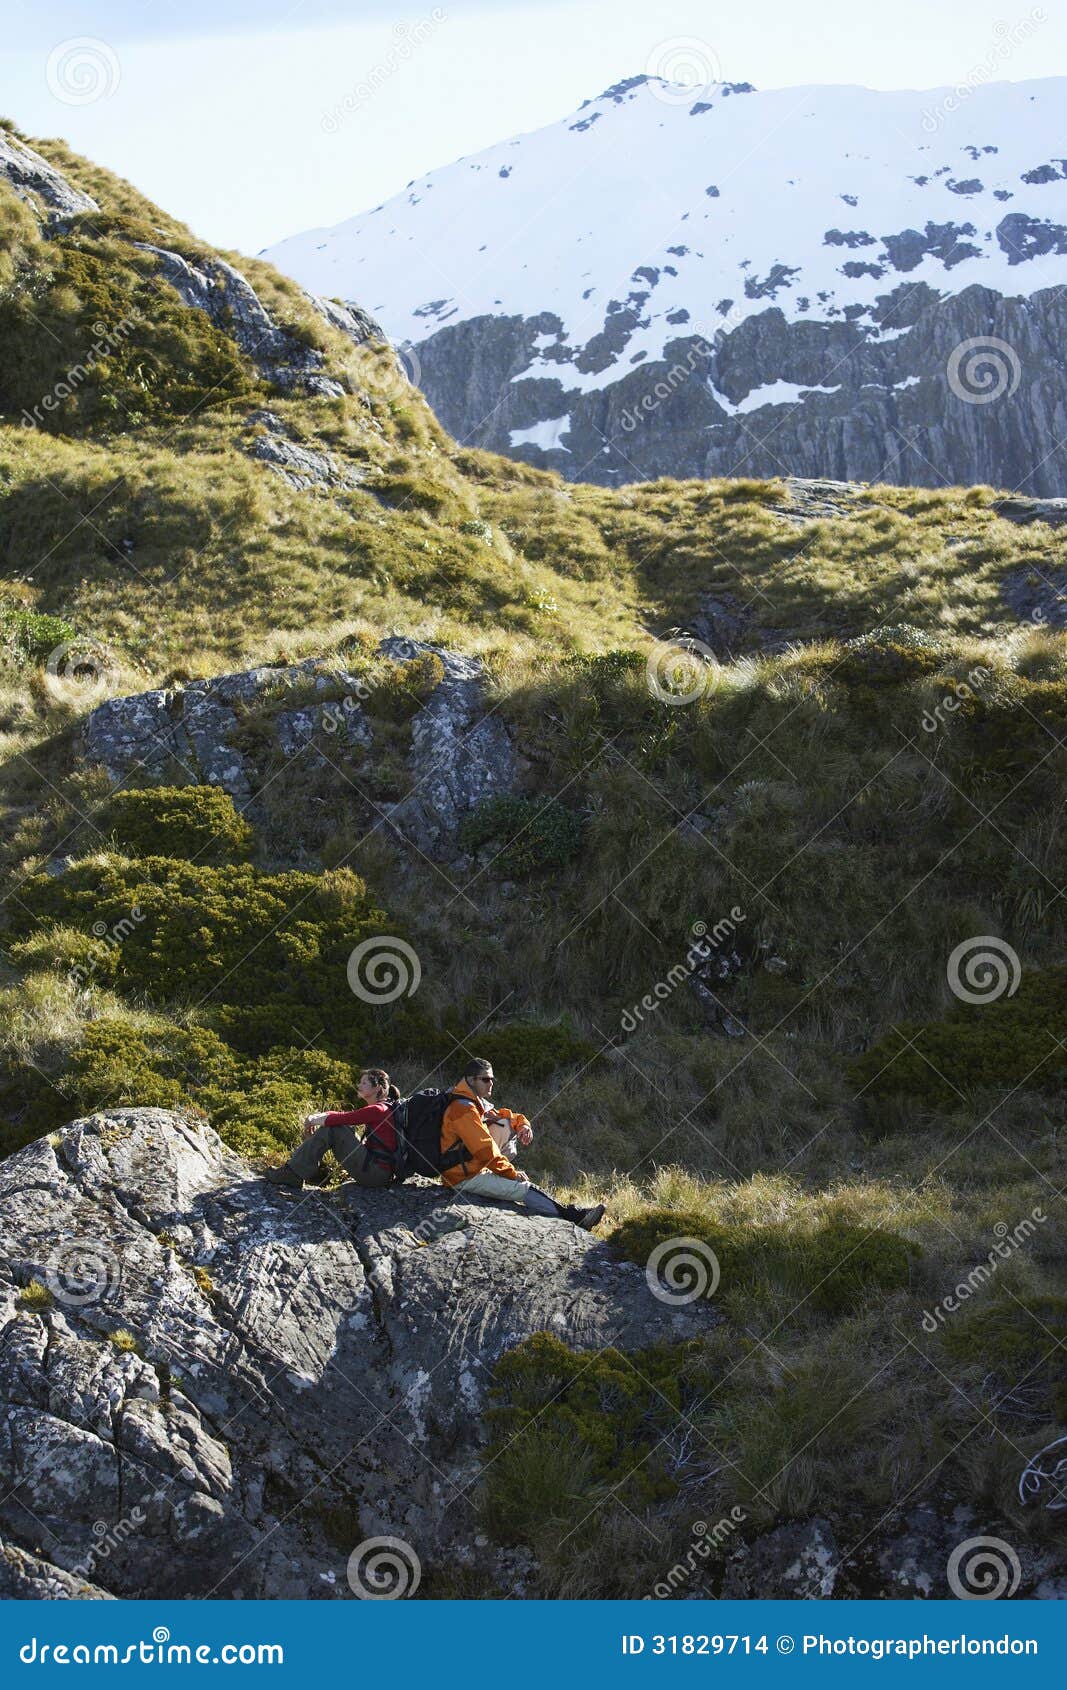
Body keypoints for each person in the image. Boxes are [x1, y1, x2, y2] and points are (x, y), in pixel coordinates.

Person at [440, 1057, 606, 1230]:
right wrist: (511, 1173)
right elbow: (484, 1150)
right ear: (471, 1080)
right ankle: (575, 1217)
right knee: (521, 1188)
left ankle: (570, 1213)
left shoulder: (473, 1101)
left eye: (492, 1079)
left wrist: (524, 1125)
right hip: (461, 1177)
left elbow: (509, 1117)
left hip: (470, 1167)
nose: (491, 1083)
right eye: (486, 1079)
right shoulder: (464, 1108)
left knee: (503, 1122)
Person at [264, 1066, 399, 1190]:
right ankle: (297, 1170)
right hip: (378, 1171)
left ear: (377, 1088)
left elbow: (344, 1119)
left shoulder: (378, 1110)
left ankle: (293, 1173)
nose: (359, 1086)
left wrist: (314, 1120)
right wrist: (317, 1117)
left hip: (375, 1174)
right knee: (338, 1127)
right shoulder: (385, 1107)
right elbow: (345, 1116)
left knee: (334, 1129)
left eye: (364, 1083)